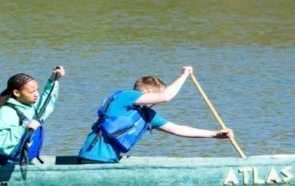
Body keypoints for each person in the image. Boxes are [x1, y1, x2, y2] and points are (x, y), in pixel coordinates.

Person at [77, 66, 233, 163]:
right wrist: (184, 75)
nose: (157, 102)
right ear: (146, 92)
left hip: (110, 160)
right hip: (93, 158)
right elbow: (166, 97)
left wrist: (215, 134)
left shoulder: (146, 115)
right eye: (155, 97)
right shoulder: (125, 97)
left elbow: (177, 129)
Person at [0, 66, 66, 164]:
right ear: (16, 92)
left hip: (22, 161)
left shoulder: (32, 107)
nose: (36, 94)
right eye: (31, 92)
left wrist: (53, 80)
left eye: (37, 90)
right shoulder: (6, 112)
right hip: (3, 163)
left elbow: (47, 101)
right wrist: (23, 127)